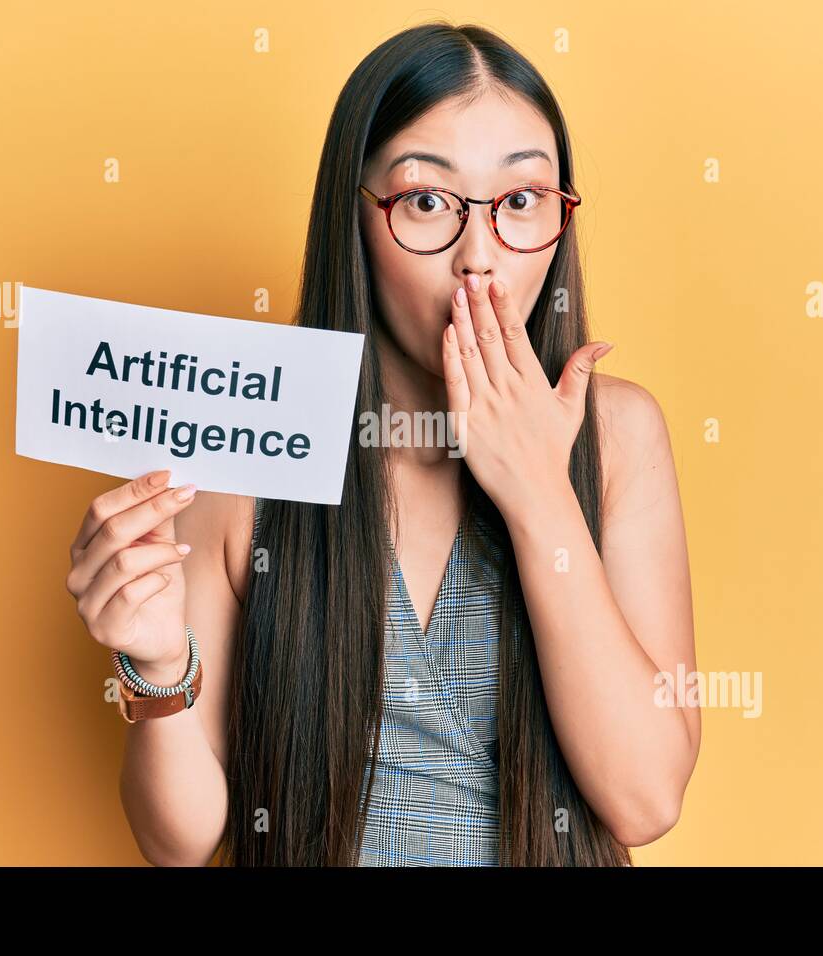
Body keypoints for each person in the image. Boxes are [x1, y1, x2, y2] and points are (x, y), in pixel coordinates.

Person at [65, 21, 699, 866]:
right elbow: (178, 839)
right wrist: (154, 664)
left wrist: (537, 487)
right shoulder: (245, 431)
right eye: (428, 201)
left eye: (520, 202)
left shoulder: (617, 433)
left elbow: (646, 798)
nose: (480, 258)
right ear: (355, 216)